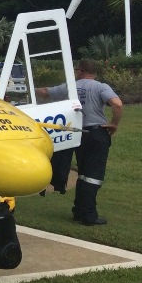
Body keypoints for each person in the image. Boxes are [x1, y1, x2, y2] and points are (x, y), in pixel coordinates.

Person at [36, 59, 123, 226]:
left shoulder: (71, 87)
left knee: (83, 174)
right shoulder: (101, 87)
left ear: (80, 71)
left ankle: (78, 211)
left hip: (77, 136)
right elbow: (117, 104)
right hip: (97, 134)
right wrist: (114, 124)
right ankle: (89, 215)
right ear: (93, 73)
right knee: (93, 177)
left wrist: (26, 90)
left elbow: (46, 92)